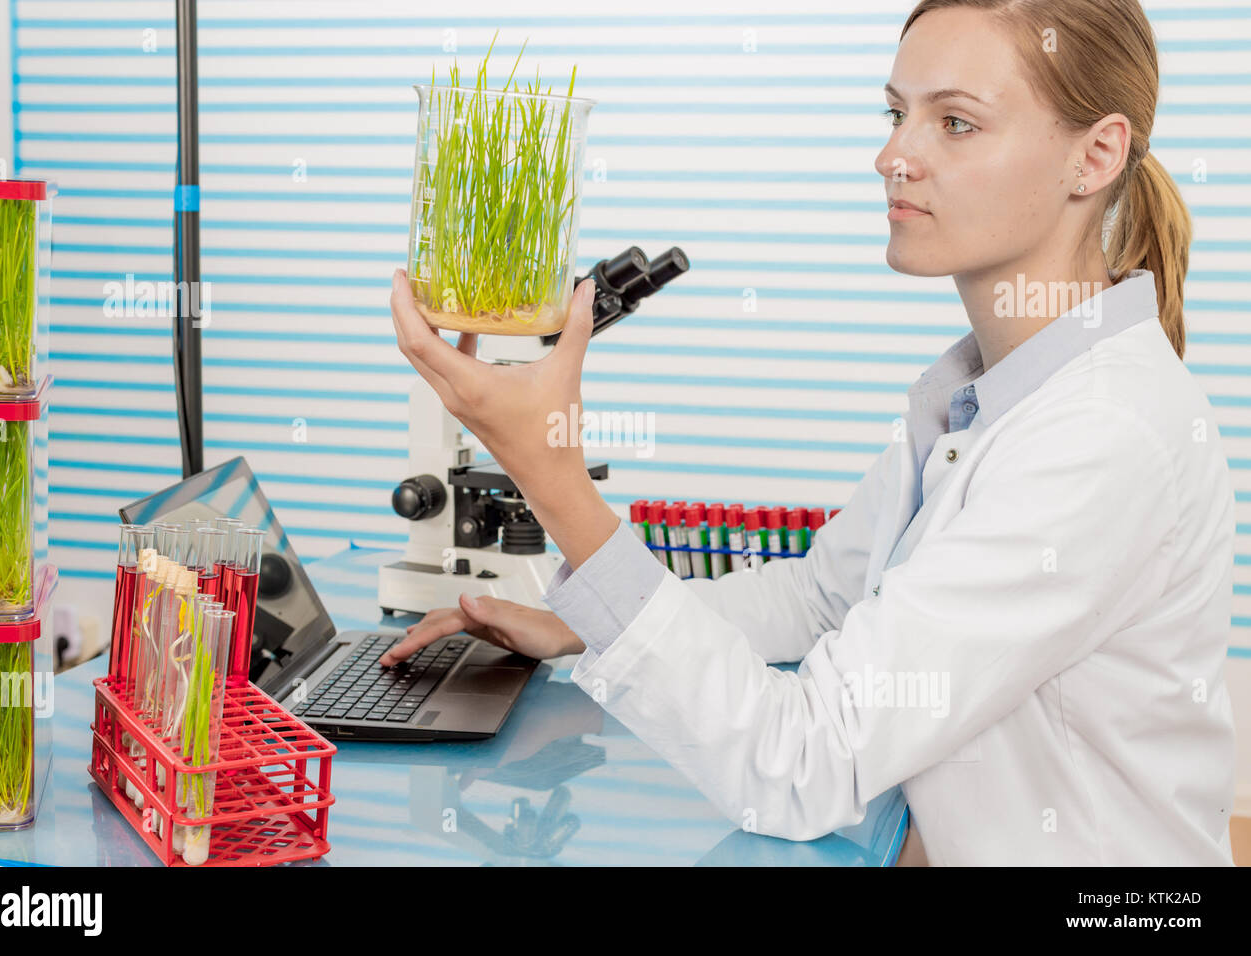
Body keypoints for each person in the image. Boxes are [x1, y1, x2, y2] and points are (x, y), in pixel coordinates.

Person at [384, 0, 1237, 865]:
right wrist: (574, 622)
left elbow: (800, 763)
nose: (894, 157)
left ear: (1095, 155)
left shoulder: (1101, 436)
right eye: (896, 113)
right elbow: (818, 599)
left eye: (955, 122)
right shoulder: (983, 390)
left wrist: (554, 480)